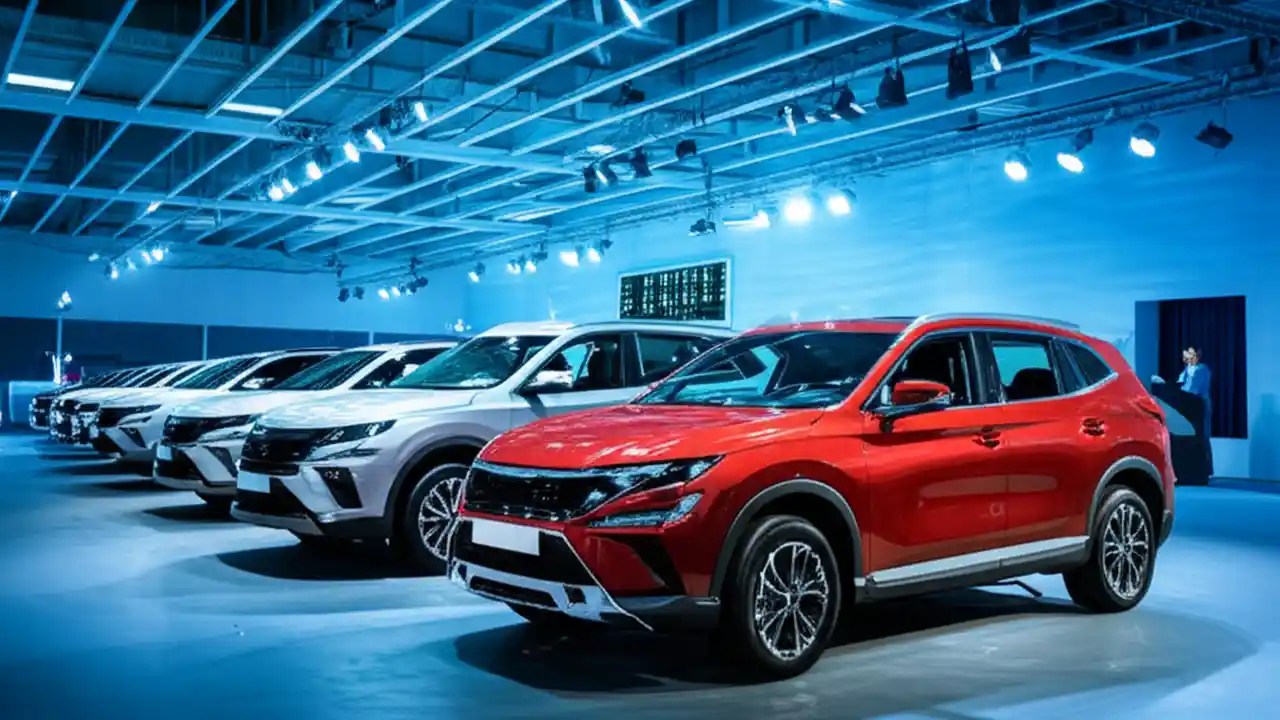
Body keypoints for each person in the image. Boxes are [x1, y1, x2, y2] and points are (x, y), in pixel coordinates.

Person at [1178, 347, 1212, 437]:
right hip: (1188, 404)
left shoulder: (1202, 369)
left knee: (1201, 435)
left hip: (1199, 404)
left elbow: (1193, 389)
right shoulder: (1185, 371)